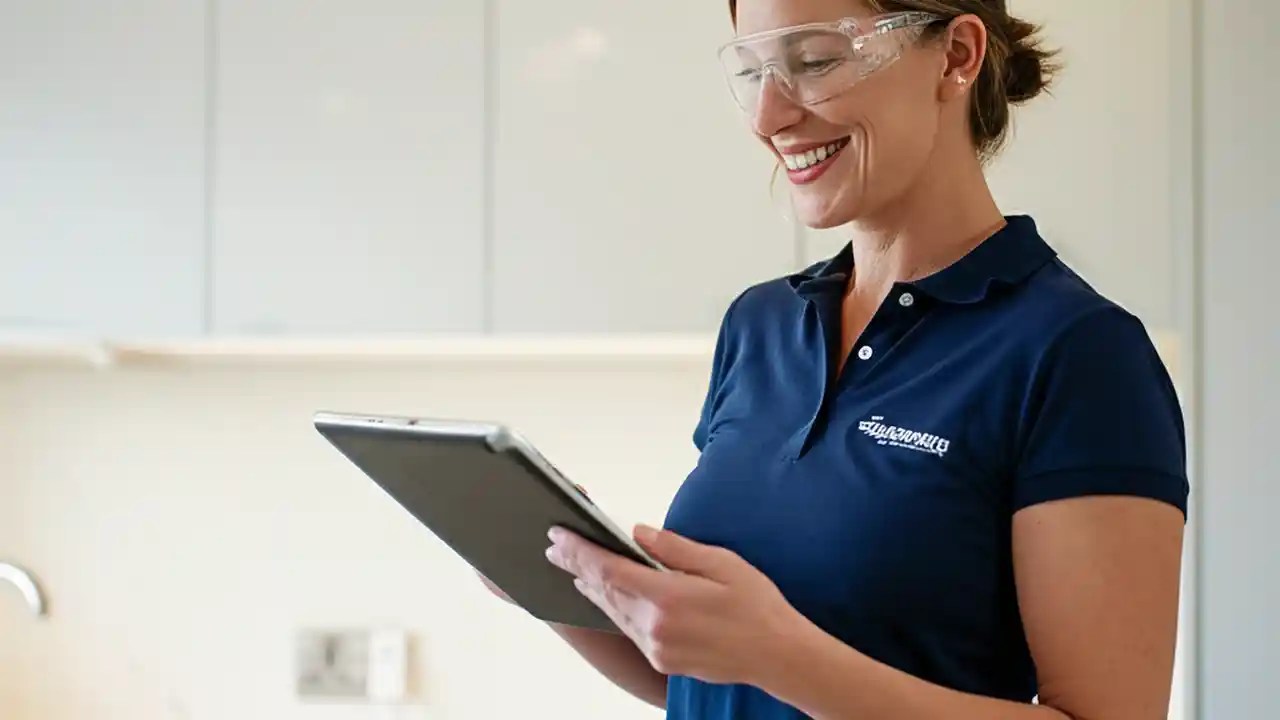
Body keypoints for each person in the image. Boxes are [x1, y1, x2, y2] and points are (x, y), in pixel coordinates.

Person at [488, 1, 1190, 718]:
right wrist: (547, 578)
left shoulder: (1079, 354)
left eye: (814, 61)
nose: (767, 118)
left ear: (956, 57)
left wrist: (778, 653)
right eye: (754, 70)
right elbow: (710, 683)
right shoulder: (758, 326)